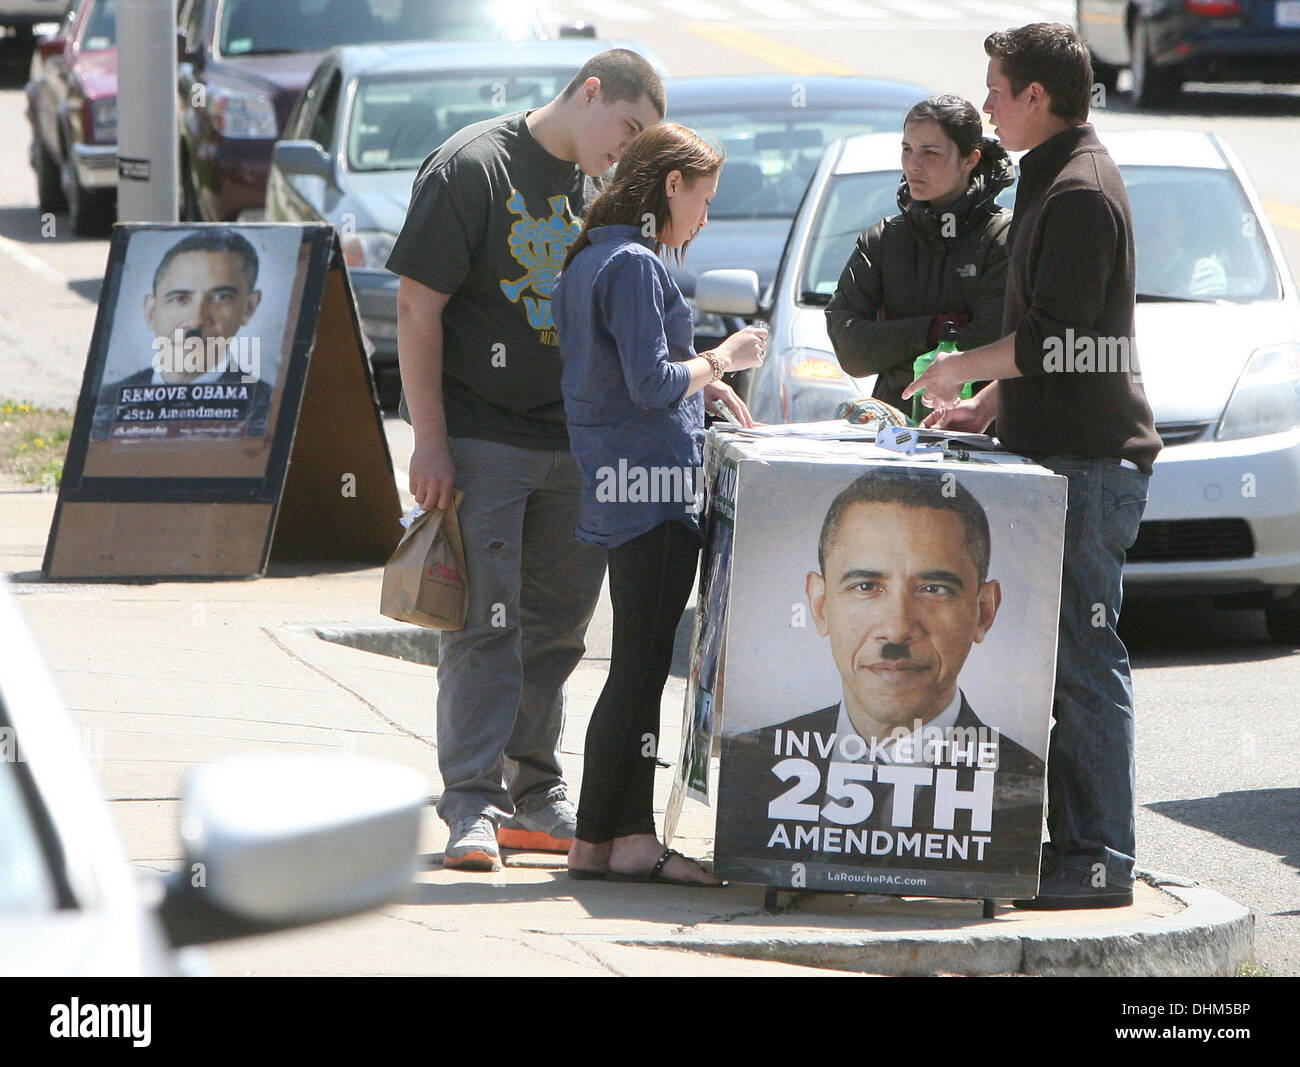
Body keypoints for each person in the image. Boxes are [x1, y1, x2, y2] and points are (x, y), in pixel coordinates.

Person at [385, 50, 666, 872]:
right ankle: (472, 802)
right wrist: (429, 438)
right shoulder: (475, 166)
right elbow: (415, 306)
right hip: (481, 438)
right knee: (484, 625)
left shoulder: (602, 191)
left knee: (558, 632)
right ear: (589, 94)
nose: (631, 148)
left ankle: (536, 792)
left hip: (576, 446)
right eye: (629, 127)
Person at [906, 23, 1162, 909]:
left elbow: (1060, 338)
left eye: (996, 89)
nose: (985, 104)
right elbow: (1051, 343)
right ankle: (1070, 849)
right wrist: (991, 402)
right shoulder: (1048, 170)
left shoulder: (1081, 189)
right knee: (1057, 662)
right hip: (1057, 451)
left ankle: (1097, 860)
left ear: (1037, 99)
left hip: (1091, 467)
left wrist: (959, 367)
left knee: (1084, 664)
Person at [552, 122, 767, 886]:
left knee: (634, 667)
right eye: (702, 198)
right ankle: (625, 838)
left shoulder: (591, 256)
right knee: (640, 670)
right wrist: (723, 359)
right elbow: (649, 382)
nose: (705, 216)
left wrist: (706, 391)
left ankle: (600, 841)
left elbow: (626, 380)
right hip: (653, 493)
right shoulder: (636, 262)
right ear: (670, 186)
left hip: (620, 486)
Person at [717, 467, 1044, 883]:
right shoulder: (748, 768)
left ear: (984, 611)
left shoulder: (1020, 785)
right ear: (819, 606)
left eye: (933, 589)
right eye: (866, 586)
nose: (896, 628)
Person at [825, 95, 1013, 414]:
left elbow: (992, 344)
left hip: (980, 431)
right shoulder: (882, 239)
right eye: (907, 150)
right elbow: (851, 349)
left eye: (931, 153)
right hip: (893, 431)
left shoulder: (1005, 237)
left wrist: (892, 347)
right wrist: (935, 329)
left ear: (970, 159)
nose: (914, 165)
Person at [91, 229, 272, 440]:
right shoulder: (105, 404)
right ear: (151, 312)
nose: (196, 320)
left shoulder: (269, 410)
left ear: (249, 308)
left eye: (221, 297)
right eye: (179, 299)